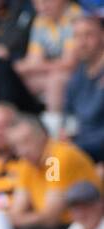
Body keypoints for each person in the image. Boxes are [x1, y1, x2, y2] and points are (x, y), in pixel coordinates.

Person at [7, 111, 102, 229]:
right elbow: (16, 210)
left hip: (84, 224)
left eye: (26, 142)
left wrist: (18, 219)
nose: (22, 151)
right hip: (61, 226)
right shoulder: (25, 163)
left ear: (42, 136)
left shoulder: (55, 158)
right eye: (16, 146)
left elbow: (51, 217)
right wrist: (17, 218)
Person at [64, 12, 104, 163]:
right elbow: (69, 114)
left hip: (97, 150)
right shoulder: (77, 76)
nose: (82, 42)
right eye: (77, 36)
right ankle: (51, 185)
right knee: (51, 158)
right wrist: (66, 134)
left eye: (88, 35)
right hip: (80, 149)